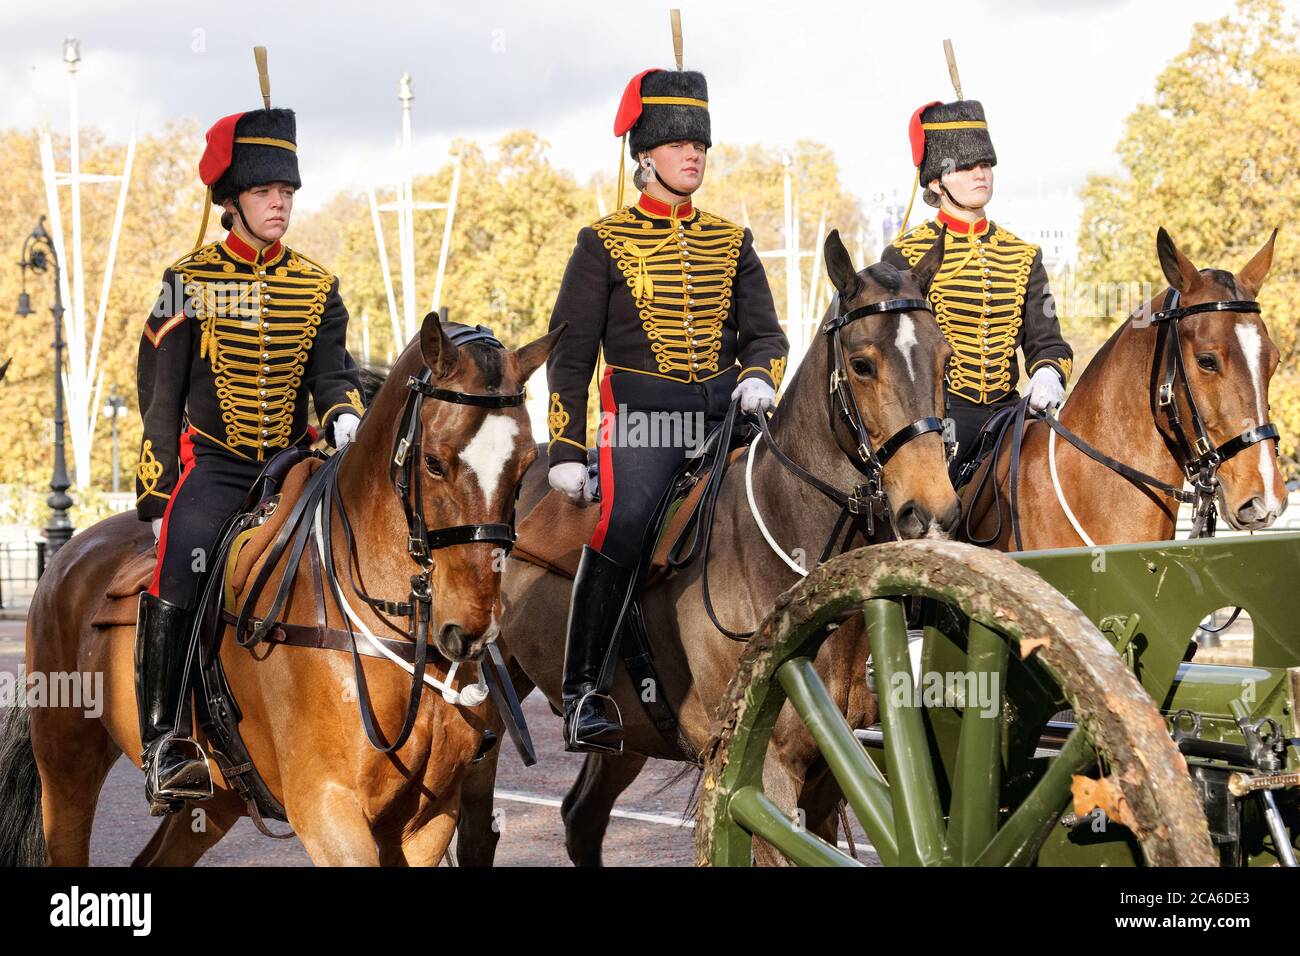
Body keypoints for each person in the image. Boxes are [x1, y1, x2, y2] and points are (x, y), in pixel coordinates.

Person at [545, 66, 788, 753]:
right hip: (645, 423)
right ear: (644, 156)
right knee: (622, 524)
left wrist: (760, 376)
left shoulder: (731, 241)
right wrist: (564, 450)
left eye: (702, 146)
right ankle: (584, 689)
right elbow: (570, 357)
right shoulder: (602, 243)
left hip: (725, 416)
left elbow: (765, 334)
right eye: (680, 146)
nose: (694, 156)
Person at [132, 102, 364, 814]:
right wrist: (157, 494)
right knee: (184, 561)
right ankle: (165, 738)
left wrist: (347, 415)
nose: (280, 205)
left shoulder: (316, 285)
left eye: (287, 194)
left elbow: (331, 372)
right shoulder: (187, 280)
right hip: (219, 466)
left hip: (295, 464)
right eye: (267, 193)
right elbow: (159, 392)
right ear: (231, 201)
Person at [881, 98, 1073, 481]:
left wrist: (1049, 372)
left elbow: (1048, 342)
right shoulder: (904, 254)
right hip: (939, 420)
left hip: (1011, 415)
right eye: (966, 167)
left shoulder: (1023, 255)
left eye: (985, 164)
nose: (979, 174)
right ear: (936, 181)